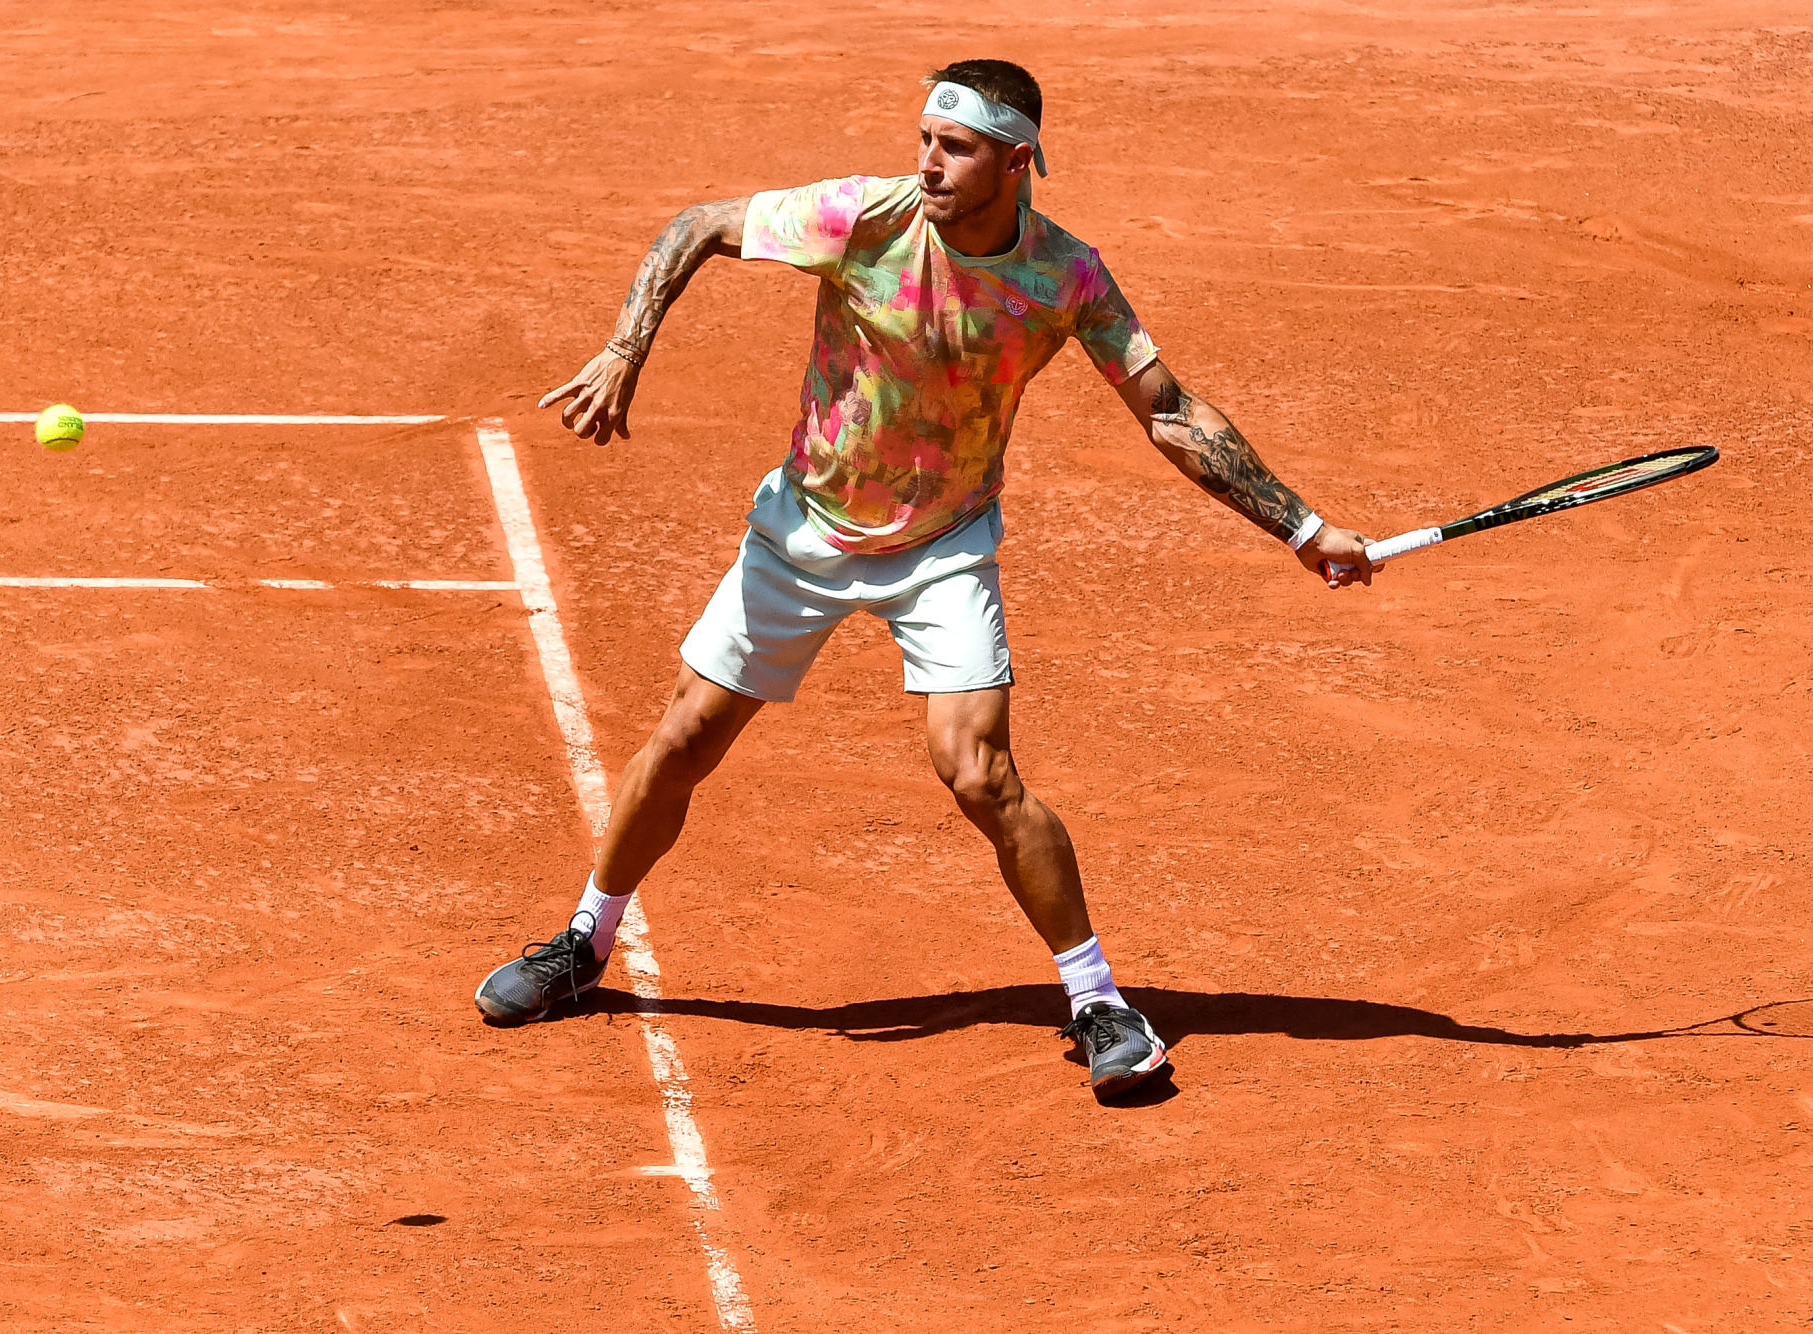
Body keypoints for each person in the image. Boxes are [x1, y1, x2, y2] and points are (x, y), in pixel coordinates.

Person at [476, 58, 1378, 1101]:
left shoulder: (1067, 275)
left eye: (955, 148)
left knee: (980, 771)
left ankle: (1098, 1001)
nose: (930, 162)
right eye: (925, 140)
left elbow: (1168, 410)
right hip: (805, 528)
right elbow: (698, 225)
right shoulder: (864, 217)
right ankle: (586, 940)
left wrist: (1303, 527)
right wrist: (625, 349)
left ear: (1016, 160)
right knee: (683, 738)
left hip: (943, 544)